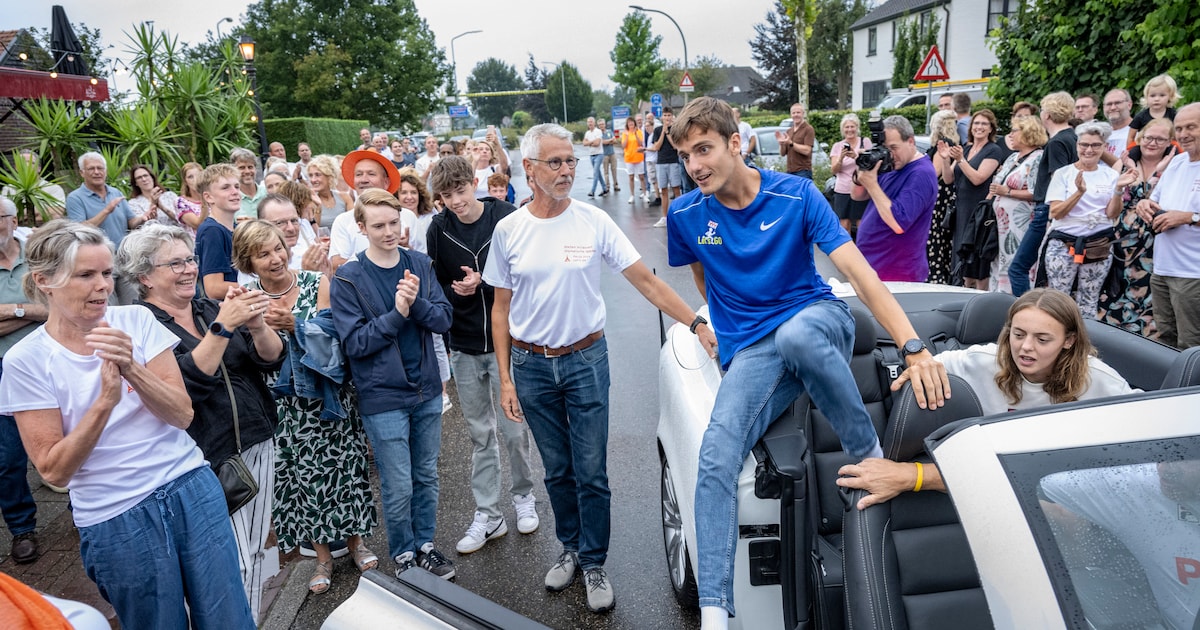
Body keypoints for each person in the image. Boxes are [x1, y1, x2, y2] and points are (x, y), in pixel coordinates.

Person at [663, 97, 946, 630]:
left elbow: (859, 274)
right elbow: (703, 274)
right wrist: (724, 332)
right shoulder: (684, 214)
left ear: (735, 142)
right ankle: (715, 612)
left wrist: (913, 345)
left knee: (796, 336)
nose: (695, 164)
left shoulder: (793, 193)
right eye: (685, 155)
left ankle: (871, 458)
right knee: (716, 454)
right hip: (753, 350)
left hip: (817, 319)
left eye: (704, 148)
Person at [484, 123, 716, 615]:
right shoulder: (508, 230)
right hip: (530, 366)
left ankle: (593, 561)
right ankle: (568, 547)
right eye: (555, 162)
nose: (567, 170)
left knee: (591, 470)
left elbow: (646, 284)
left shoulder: (592, 221)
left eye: (571, 161)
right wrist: (505, 377)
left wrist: (695, 320)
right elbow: (500, 309)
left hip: (586, 360)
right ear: (529, 169)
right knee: (558, 468)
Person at [0, 219, 253, 629]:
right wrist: (104, 402)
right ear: (45, 281)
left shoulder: (135, 319)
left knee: (228, 618)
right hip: (116, 515)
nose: (102, 286)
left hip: (189, 485)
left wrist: (132, 367)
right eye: (85, 275)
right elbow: (54, 469)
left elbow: (182, 414)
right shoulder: (25, 361)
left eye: (105, 273)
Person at [117, 223, 284, 621]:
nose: (189, 268)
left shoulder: (208, 308)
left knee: (254, 552)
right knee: (230, 564)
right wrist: (224, 327)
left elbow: (271, 359)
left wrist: (258, 325)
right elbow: (186, 386)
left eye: (190, 259)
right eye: (175, 263)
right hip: (202, 460)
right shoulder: (144, 326)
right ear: (144, 276)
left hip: (257, 444)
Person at [836, 288, 1134, 509]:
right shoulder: (980, 362)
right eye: (1018, 334)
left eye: (1042, 340)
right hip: (993, 496)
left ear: (1069, 341)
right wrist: (919, 365)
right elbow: (925, 367)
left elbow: (1152, 430)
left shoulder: (1101, 382)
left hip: (1064, 499)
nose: (1026, 348)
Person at [232, 220, 379, 595]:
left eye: (278, 248)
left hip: (328, 397)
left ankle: (357, 543)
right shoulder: (246, 297)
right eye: (263, 254)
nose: (275, 258)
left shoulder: (317, 283)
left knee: (345, 468)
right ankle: (322, 557)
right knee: (302, 481)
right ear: (249, 262)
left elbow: (336, 343)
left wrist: (297, 325)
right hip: (283, 408)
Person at [330, 189, 456, 580]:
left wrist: (414, 304)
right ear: (361, 227)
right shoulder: (348, 278)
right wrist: (398, 313)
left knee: (427, 474)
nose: (389, 232)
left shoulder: (418, 262)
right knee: (399, 482)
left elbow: (443, 319)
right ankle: (403, 552)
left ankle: (426, 545)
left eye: (394, 223)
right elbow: (356, 344)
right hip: (382, 396)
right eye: (379, 225)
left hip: (426, 390)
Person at [426, 155, 540, 555]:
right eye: (445, 196)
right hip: (465, 342)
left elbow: (527, 275)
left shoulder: (506, 216)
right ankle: (488, 513)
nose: (455, 201)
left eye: (459, 191)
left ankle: (523, 496)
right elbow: (436, 281)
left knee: (513, 428)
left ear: (473, 182)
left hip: (508, 341)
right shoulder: (438, 229)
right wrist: (453, 299)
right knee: (479, 433)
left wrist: (485, 283)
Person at [1040, 459, 1200, 630]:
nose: (1164, 468)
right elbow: (1039, 486)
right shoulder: (1138, 487)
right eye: (1163, 458)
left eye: (1186, 460)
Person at [0, 198, 46, 565]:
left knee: (70, 432)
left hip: (48, 359)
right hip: (2, 368)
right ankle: (21, 528)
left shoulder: (38, 254)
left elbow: (56, 308)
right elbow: (43, 312)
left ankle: (83, 509)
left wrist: (14, 310)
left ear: (14, 220)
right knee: (8, 455)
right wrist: (34, 314)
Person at [1098, 119, 1174, 336]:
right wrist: (1120, 187)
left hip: (1154, 246)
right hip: (1121, 243)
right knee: (1113, 293)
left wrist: (1159, 172)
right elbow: (1109, 211)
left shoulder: (1174, 167)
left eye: (1160, 139)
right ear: (1139, 138)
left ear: (1169, 142)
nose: (1152, 143)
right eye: (1149, 137)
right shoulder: (1122, 164)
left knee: (1148, 298)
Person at [1136, 103, 1200, 349]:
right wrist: (1145, 204)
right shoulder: (1177, 162)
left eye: (1191, 127)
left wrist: (1188, 217)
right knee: (1165, 340)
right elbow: (1156, 199)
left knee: (1191, 344)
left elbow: (1185, 214)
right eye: (1180, 128)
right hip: (1163, 268)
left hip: (1193, 273)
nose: (1183, 134)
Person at [1043, 121, 1123, 318]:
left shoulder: (1111, 175)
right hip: (1064, 243)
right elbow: (1056, 212)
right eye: (1084, 144)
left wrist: (1119, 190)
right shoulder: (1064, 173)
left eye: (1095, 145)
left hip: (1098, 245)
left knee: (1089, 300)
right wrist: (1079, 192)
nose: (1089, 150)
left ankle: (1085, 344)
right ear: (1077, 145)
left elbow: (1112, 213)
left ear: (1104, 147)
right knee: (1058, 299)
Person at [852, 115, 939, 282]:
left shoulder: (921, 174)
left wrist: (872, 184)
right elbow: (857, 195)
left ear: (911, 142)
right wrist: (862, 171)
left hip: (897, 272)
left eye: (894, 147)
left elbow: (898, 223)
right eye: (885, 148)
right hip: (873, 267)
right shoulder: (892, 165)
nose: (890, 155)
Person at [1010, 92, 1078, 296]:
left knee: (1018, 268)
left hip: (1048, 211)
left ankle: (1024, 310)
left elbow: (1060, 178)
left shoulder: (1057, 142)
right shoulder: (1073, 137)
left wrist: (1051, 215)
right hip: (1058, 211)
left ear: (1046, 114)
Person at [942, 109, 1004, 287]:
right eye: (976, 123)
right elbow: (948, 179)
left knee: (976, 261)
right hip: (962, 210)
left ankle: (979, 297)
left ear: (991, 128)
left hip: (979, 213)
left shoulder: (993, 150)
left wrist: (961, 159)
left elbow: (978, 178)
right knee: (961, 259)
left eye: (984, 124)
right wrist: (946, 159)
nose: (979, 127)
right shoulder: (967, 148)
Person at [329, 151, 416, 272]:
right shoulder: (343, 221)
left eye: (371, 174)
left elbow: (422, 260)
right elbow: (336, 265)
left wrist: (404, 250)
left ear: (386, 182)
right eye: (359, 174)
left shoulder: (408, 216)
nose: (364, 180)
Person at [989, 115, 1047, 293]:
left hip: (1020, 224)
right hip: (1000, 225)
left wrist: (1007, 192)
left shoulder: (1038, 158)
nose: (1010, 135)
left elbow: (1036, 193)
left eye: (1014, 131)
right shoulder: (1013, 157)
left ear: (1028, 133)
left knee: (1015, 262)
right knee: (998, 262)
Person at [65, 152, 154, 247]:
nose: (96, 172)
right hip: (97, 256)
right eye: (91, 168)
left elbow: (131, 222)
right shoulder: (75, 198)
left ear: (106, 171)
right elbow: (79, 231)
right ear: (82, 173)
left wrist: (142, 218)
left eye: (100, 168)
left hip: (123, 254)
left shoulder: (116, 193)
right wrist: (107, 211)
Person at [195, 164, 245, 299]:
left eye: (237, 186)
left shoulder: (236, 227)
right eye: (225, 188)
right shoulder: (212, 231)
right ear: (208, 197)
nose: (234, 191)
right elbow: (213, 288)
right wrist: (260, 286)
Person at [926, 110, 959, 284]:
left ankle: (935, 276)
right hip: (945, 197)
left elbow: (935, 172)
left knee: (935, 238)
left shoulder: (942, 146)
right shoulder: (953, 144)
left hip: (938, 198)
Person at [828, 113, 872, 237]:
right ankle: (848, 254)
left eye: (852, 126)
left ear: (857, 127)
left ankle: (864, 253)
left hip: (861, 189)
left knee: (862, 226)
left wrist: (856, 156)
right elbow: (834, 170)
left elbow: (871, 165)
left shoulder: (865, 142)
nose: (849, 130)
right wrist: (841, 157)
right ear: (843, 129)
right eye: (847, 127)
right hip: (842, 190)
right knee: (844, 226)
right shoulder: (837, 146)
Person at [1, 150, 65, 219]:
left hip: (47, 228)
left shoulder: (53, 188)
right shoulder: (8, 189)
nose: (27, 165)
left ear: (39, 168)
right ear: (16, 168)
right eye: (22, 163)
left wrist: (22, 214)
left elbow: (58, 212)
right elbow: (5, 215)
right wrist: (42, 212)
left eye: (31, 163)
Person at [307, 155, 353, 230]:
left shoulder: (344, 197)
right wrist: (318, 207)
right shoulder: (309, 202)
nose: (313, 180)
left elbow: (354, 223)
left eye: (317, 175)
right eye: (310, 175)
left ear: (329, 176)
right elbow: (313, 232)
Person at [775, 102, 815, 179]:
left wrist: (791, 143)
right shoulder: (789, 131)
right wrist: (781, 144)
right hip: (790, 171)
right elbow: (782, 153)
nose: (796, 115)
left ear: (803, 114)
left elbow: (807, 150)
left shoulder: (808, 129)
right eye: (793, 113)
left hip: (803, 171)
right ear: (791, 115)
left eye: (798, 112)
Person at [231, 149, 265, 223]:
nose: (247, 171)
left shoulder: (267, 193)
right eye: (242, 168)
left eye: (250, 167)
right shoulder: (231, 197)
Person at [1102, 89, 1134, 165]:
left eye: (1117, 103)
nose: (1113, 107)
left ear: (1129, 105)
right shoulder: (1100, 132)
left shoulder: (1139, 131)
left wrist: (1101, 152)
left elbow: (1129, 167)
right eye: (1109, 104)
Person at [175, 162, 208, 236]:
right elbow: (198, 225)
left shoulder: (213, 197)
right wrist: (204, 200)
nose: (195, 180)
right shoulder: (181, 202)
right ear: (185, 181)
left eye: (199, 175)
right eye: (190, 177)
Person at [621, 117, 648, 203]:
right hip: (629, 157)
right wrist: (627, 135)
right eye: (629, 123)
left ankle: (644, 194)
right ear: (627, 125)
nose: (631, 125)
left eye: (632, 123)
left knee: (641, 177)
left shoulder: (639, 132)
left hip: (638, 157)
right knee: (631, 177)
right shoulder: (625, 133)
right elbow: (624, 145)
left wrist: (635, 134)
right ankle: (632, 195)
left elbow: (640, 143)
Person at [583, 117, 608, 198]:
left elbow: (597, 143)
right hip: (591, 155)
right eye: (588, 122)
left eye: (591, 122)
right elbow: (584, 143)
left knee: (595, 172)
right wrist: (591, 142)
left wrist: (589, 143)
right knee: (598, 173)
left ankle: (592, 191)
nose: (590, 123)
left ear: (594, 123)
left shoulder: (598, 131)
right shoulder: (587, 133)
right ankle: (604, 188)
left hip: (599, 154)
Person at [643, 112, 662, 207]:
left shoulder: (654, 134)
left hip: (653, 159)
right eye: (645, 126)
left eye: (648, 126)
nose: (647, 128)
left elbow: (655, 147)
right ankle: (657, 196)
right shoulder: (649, 135)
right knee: (653, 179)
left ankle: (658, 198)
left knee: (654, 179)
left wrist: (645, 149)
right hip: (649, 159)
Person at [599, 119, 619, 193]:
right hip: (604, 154)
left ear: (605, 124)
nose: (602, 126)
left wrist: (609, 141)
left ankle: (616, 185)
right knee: (606, 171)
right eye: (600, 125)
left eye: (602, 124)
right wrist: (610, 140)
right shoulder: (599, 134)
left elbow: (615, 141)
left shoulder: (609, 131)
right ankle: (607, 186)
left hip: (612, 153)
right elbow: (602, 142)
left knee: (614, 170)